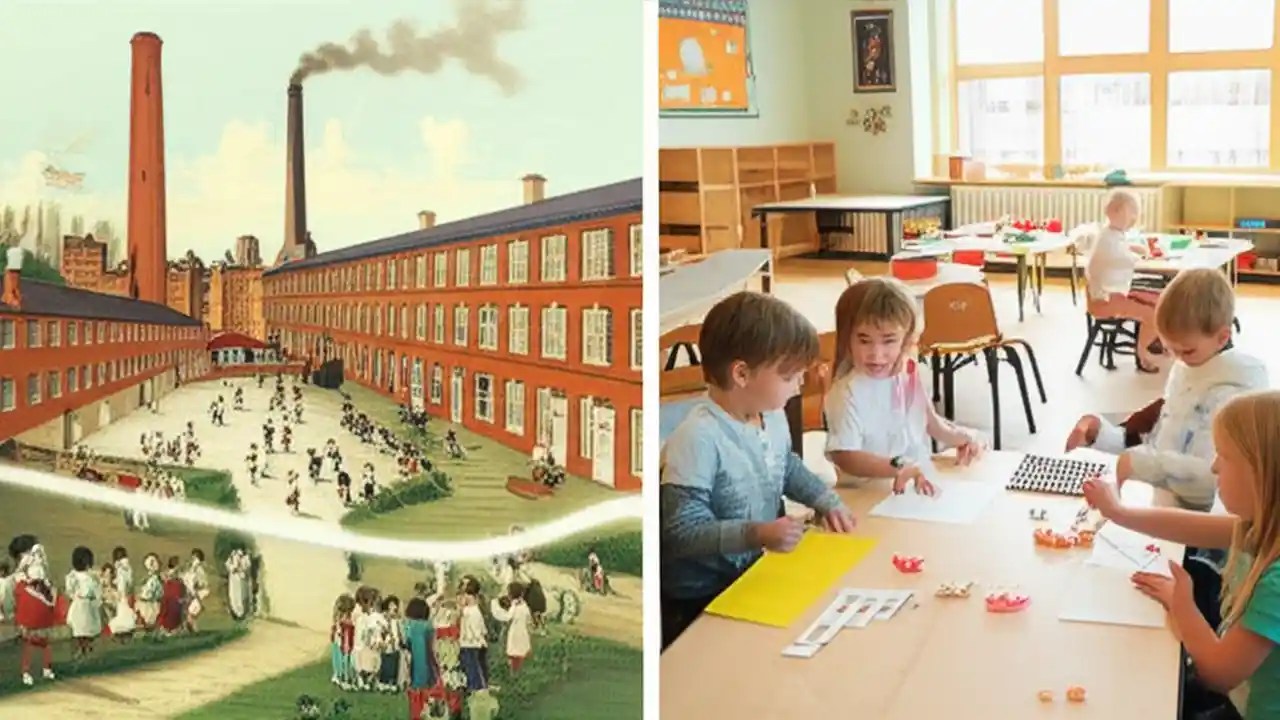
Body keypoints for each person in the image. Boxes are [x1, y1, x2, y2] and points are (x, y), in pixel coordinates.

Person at [660, 291, 857, 650]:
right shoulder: (698, 437)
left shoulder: (772, 413)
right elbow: (681, 531)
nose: (800, 384)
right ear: (742, 374)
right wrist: (758, 533)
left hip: (752, 577)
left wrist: (825, 500)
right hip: (700, 602)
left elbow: (785, 466)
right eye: (790, 375)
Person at [1083, 390, 1280, 720]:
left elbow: (1218, 674)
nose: (1214, 467)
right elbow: (1193, 527)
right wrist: (1119, 513)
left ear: (1262, 475)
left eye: (1225, 456)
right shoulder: (1265, 529)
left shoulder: (1276, 581)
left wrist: (1181, 604)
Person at [1068, 268, 1267, 512]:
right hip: (1168, 508)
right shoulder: (1194, 364)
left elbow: (1210, 480)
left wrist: (1138, 464)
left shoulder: (1232, 395)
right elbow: (1160, 443)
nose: (1177, 360)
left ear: (1222, 337)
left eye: (1186, 351)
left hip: (1201, 526)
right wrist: (1100, 435)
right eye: (1169, 349)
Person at [823, 278, 986, 495]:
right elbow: (846, 456)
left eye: (889, 341)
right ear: (847, 339)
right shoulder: (846, 392)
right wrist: (901, 465)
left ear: (907, 339)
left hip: (911, 487)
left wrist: (966, 437)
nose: (876, 354)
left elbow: (930, 421)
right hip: (866, 495)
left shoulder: (908, 370)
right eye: (864, 340)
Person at [1084, 188, 1163, 371]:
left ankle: (1156, 340)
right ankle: (1142, 354)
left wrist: (1137, 249)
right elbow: (1123, 259)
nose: (1134, 217)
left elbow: (1122, 249)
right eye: (1131, 212)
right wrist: (1142, 256)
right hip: (1105, 300)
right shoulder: (1108, 238)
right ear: (1114, 212)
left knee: (1159, 301)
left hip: (1111, 293)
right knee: (1153, 313)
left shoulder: (1110, 233)